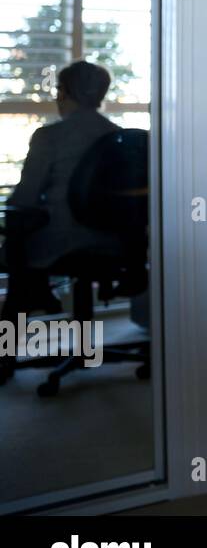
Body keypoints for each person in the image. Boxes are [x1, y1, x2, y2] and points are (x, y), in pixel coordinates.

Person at [1, 61, 121, 380]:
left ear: (65, 93)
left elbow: (25, 198)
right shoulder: (120, 137)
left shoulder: (49, 136)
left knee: (16, 240)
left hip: (65, 242)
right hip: (117, 243)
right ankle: (42, 294)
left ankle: (5, 354)